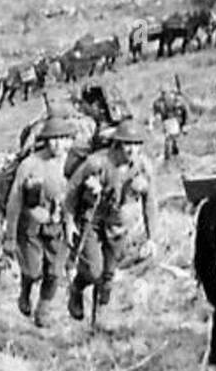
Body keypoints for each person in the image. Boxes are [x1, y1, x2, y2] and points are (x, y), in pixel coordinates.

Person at [64, 118, 155, 324]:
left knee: (108, 276)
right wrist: (69, 222)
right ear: (118, 144)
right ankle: (77, 288)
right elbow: (71, 192)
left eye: (137, 144)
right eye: (127, 144)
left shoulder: (143, 166)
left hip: (119, 225)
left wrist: (151, 237)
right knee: (95, 271)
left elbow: (151, 202)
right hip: (92, 221)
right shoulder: (97, 162)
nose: (132, 149)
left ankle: (99, 321)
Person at [2, 116, 73, 328]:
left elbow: (76, 198)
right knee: (33, 271)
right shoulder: (30, 164)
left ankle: (43, 311)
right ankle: (25, 290)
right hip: (31, 226)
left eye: (62, 139)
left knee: (55, 272)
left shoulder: (74, 164)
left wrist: (71, 223)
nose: (58, 144)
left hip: (58, 225)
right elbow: (15, 201)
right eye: (53, 139)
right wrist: (10, 237)